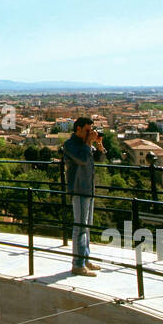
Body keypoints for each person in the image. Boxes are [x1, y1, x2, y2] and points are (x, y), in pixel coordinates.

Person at [62, 117, 105, 276]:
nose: (90, 133)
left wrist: (99, 146)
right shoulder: (70, 145)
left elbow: (99, 159)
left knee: (86, 227)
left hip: (88, 189)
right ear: (78, 129)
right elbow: (82, 160)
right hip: (78, 189)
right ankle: (77, 264)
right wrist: (89, 143)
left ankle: (85, 259)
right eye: (87, 130)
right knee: (79, 227)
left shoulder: (86, 145)